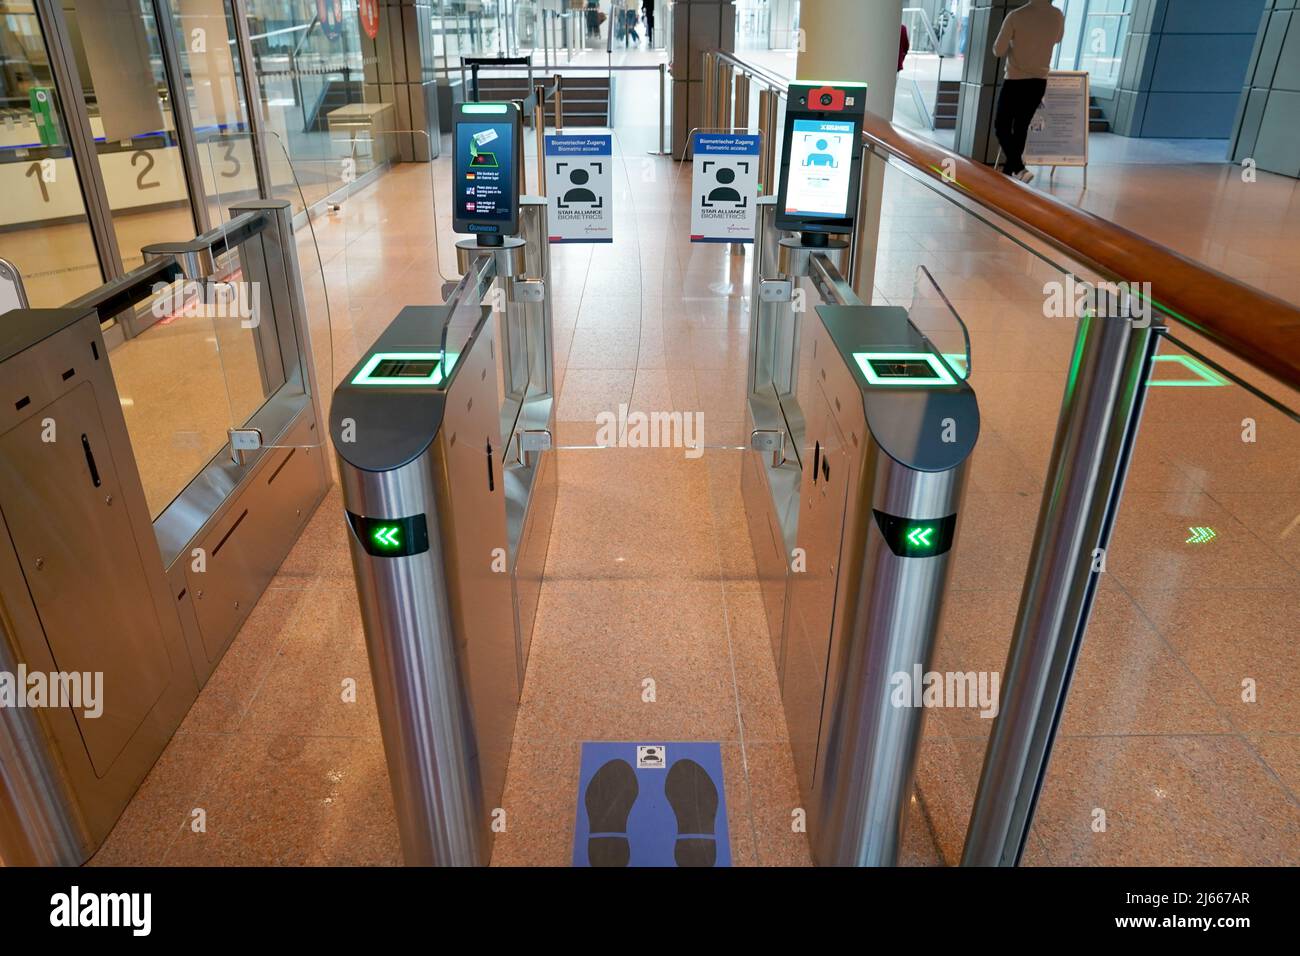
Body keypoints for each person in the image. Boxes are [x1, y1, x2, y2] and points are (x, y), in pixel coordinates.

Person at [991, 0, 1064, 183]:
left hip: (1015, 80)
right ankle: (1011, 173)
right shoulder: (1057, 15)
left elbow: (998, 50)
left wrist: (1016, 45)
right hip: (1039, 82)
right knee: (1021, 126)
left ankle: (1018, 168)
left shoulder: (1016, 16)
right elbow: (1057, 39)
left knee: (1002, 126)